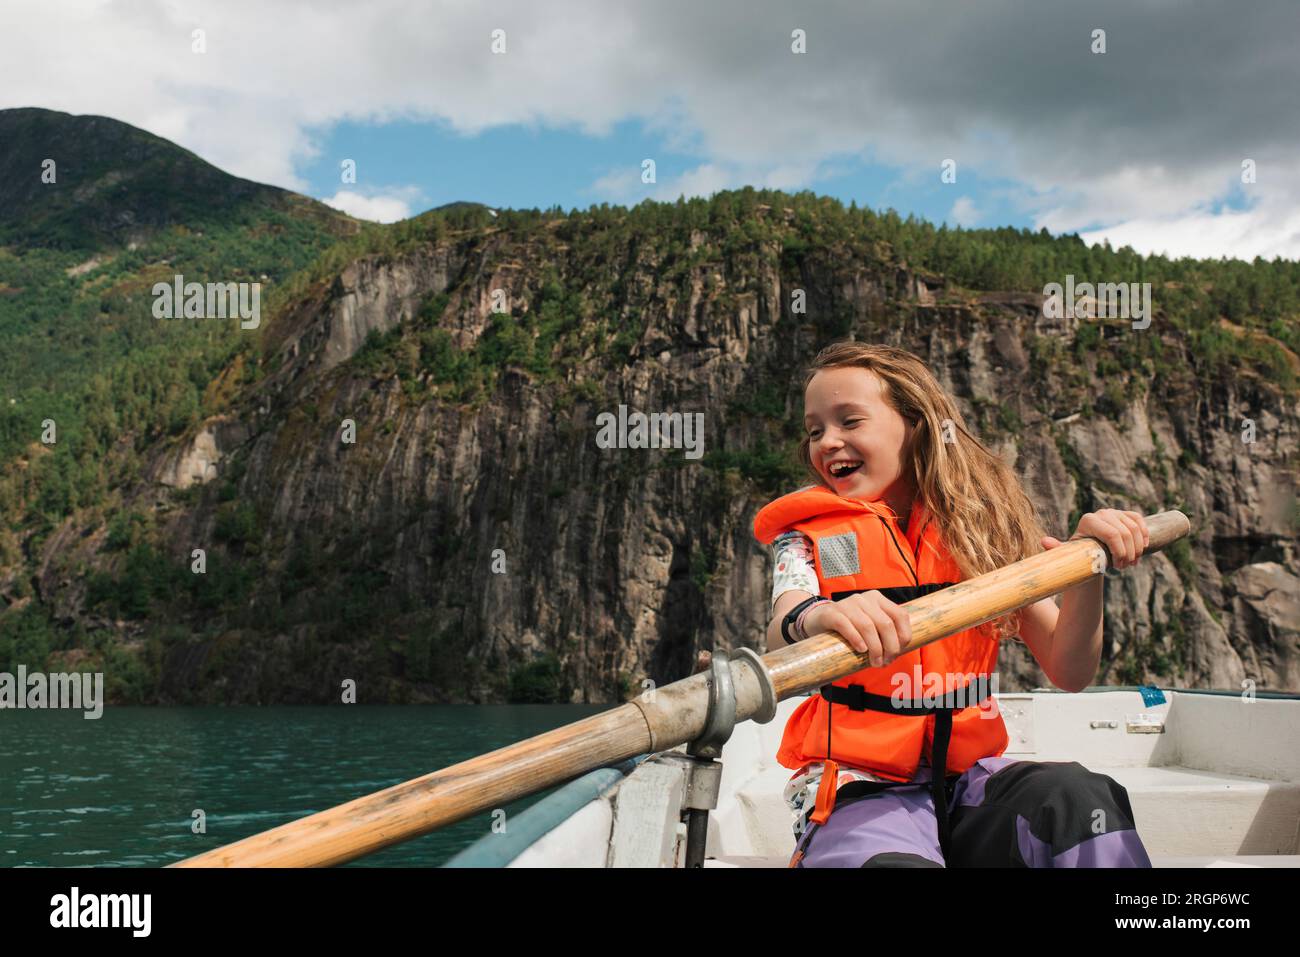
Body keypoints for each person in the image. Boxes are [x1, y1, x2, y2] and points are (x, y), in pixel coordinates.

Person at [753, 341, 1153, 867]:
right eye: (814, 430)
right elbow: (785, 622)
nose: (828, 442)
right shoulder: (805, 540)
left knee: (1077, 798)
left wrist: (1086, 574)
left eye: (849, 421)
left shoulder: (981, 533)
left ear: (917, 425)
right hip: (860, 786)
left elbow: (1069, 667)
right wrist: (821, 615)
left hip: (969, 782)